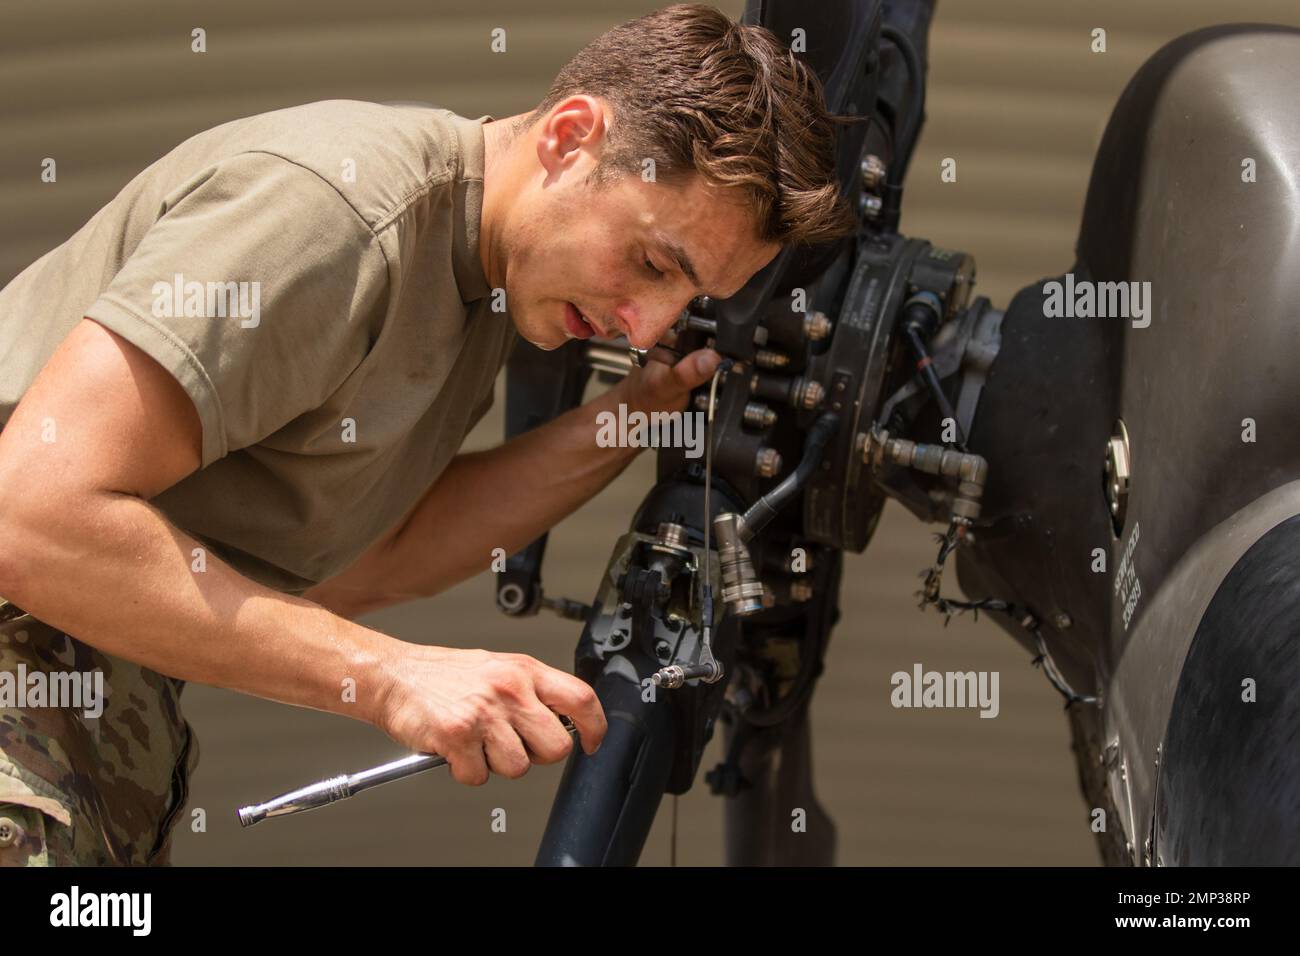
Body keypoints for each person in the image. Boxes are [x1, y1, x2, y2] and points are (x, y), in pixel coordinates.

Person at [0, 3, 853, 865]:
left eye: (686, 299)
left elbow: (378, 560)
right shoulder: (336, 217)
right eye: (654, 263)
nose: (646, 326)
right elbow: (29, 515)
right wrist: (390, 678)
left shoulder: (479, 296)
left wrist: (632, 414)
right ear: (569, 136)